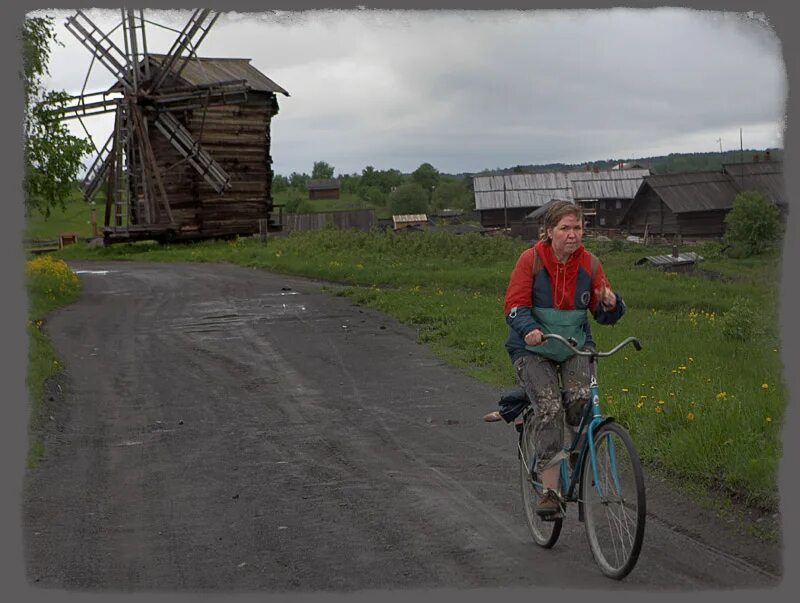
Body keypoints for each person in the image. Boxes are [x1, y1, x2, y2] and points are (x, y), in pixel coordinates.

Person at [485, 200, 625, 517]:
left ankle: (576, 455)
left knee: (579, 402)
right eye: (565, 228)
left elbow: (604, 315)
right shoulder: (531, 260)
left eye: (577, 228)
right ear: (549, 232)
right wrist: (530, 329)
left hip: (574, 346)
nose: (573, 234)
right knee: (549, 407)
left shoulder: (590, 265)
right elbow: (514, 305)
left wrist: (610, 304)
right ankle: (550, 491)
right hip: (532, 348)